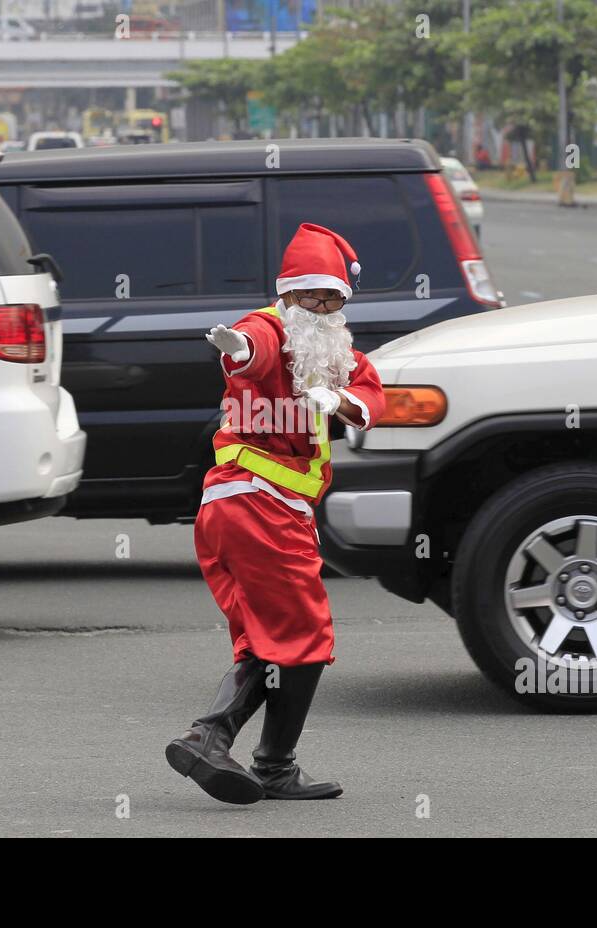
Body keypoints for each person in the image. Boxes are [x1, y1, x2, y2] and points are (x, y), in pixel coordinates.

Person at [165, 223, 386, 805]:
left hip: (235, 508)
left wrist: (337, 399)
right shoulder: (269, 327)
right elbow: (254, 348)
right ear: (286, 293)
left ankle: (245, 754)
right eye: (310, 295)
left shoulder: (333, 350)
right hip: (262, 506)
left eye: (332, 297)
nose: (321, 306)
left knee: (265, 639)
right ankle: (227, 744)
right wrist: (237, 350)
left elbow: (371, 393)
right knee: (305, 636)